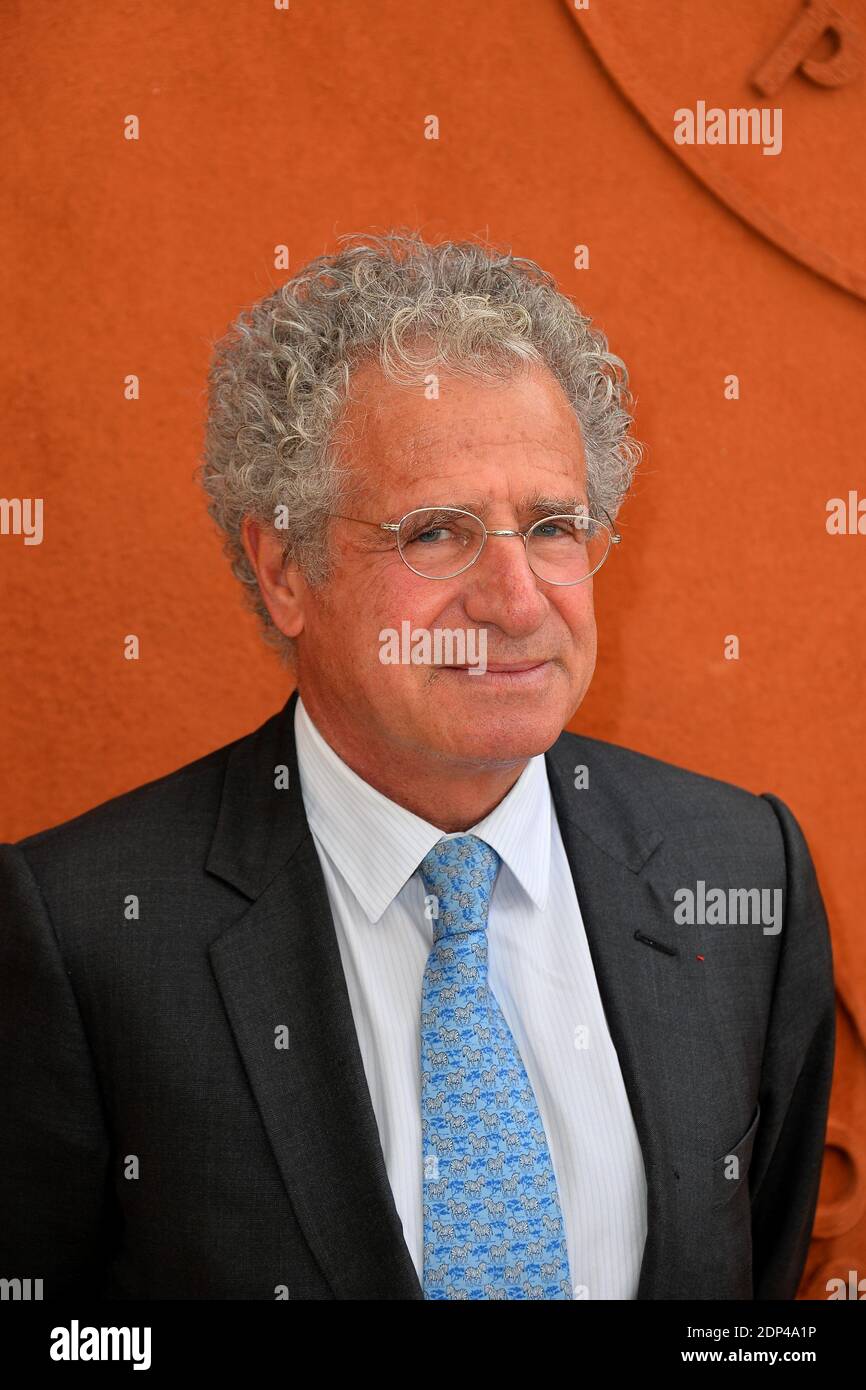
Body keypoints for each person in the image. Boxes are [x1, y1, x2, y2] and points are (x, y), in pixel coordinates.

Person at [0, 230, 834, 1300]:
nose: (517, 599)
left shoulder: (740, 873)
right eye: (436, 533)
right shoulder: (83, 929)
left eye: (551, 526)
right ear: (282, 568)